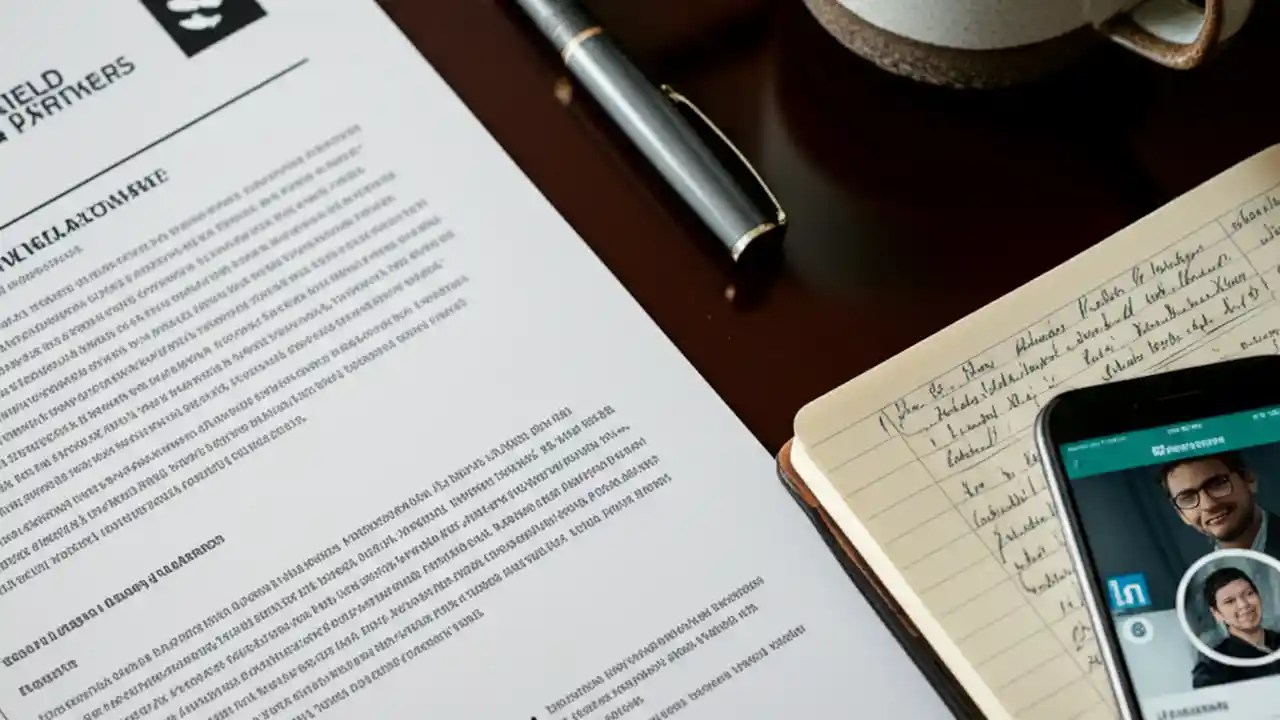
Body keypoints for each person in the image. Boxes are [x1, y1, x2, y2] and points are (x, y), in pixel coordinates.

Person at [1159, 451, 1280, 557]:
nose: (1208, 505)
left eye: (1217, 484)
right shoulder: (1201, 578)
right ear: (1181, 513)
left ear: (1249, 479)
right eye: (1188, 498)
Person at [1192, 567, 1280, 687]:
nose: (1243, 604)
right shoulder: (1214, 667)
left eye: (1248, 594)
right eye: (1230, 601)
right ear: (1217, 614)